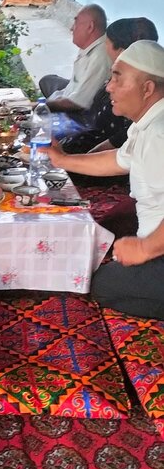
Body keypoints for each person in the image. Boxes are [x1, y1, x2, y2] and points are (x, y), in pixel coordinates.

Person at [44, 40, 164, 320]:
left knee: (103, 285)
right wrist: (63, 160)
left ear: (147, 89)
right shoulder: (147, 123)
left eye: (117, 79)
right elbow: (119, 160)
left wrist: (145, 248)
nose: (108, 86)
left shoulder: (159, 133)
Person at [59, 17, 159, 154]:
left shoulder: (152, 130)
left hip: (92, 145)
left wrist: (83, 158)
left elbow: (122, 139)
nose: (109, 87)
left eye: (106, 41)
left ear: (122, 50)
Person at [39, 4, 110, 112]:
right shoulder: (90, 45)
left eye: (76, 22)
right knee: (47, 81)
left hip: (78, 109)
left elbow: (77, 103)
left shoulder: (100, 56)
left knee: (49, 95)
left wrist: (39, 105)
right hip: (73, 91)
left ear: (90, 27)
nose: (72, 28)